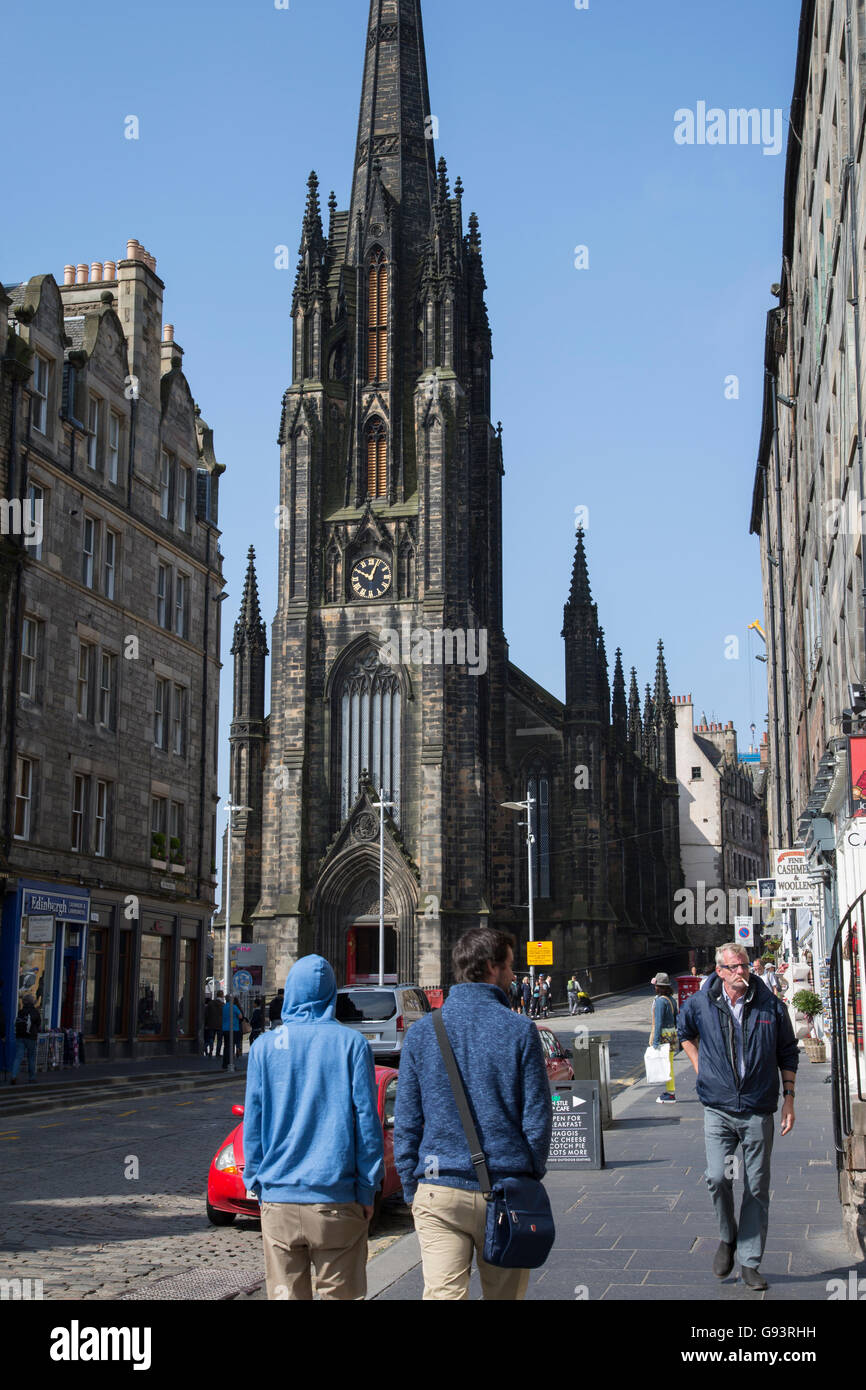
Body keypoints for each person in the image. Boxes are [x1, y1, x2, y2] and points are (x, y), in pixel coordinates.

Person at [394, 927, 552, 1301]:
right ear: (491, 968)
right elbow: (537, 1117)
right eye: (511, 967)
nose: (515, 976)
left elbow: (407, 1123)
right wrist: (527, 1172)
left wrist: (410, 1189)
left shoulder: (421, 1033)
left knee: (442, 1296)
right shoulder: (520, 1030)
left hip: (437, 1189)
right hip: (506, 1189)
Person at [243, 955, 383, 1301]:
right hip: (336, 1199)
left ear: (290, 992)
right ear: (331, 996)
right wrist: (367, 1189)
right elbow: (367, 1123)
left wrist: (257, 1183)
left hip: (279, 1198)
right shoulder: (352, 1045)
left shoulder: (263, 1048)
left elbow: (253, 1123)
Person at [678, 941, 798, 1291]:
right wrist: (701, 1069)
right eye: (733, 967)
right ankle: (728, 1237)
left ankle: (749, 1261)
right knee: (717, 1177)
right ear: (720, 971)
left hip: (759, 1109)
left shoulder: (770, 1005)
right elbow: (683, 1033)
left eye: (744, 965)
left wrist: (788, 1099)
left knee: (757, 1187)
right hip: (718, 1108)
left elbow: (788, 1052)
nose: (741, 972)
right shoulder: (702, 1003)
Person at [649, 972, 678, 1105]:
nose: (654, 988)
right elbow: (676, 1018)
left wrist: (655, 1042)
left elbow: (658, 1023)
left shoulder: (660, 1001)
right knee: (669, 1063)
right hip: (672, 1033)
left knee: (667, 1065)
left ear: (659, 987)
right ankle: (669, 1091)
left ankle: (671, 1093)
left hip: (664, 1035)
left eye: (656, 986)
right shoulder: (671, 999)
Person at [11, 993, 41, 1085]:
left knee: (18, 1057)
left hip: (20, 1036)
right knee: (31, 1057)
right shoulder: (35, 1012)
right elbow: (38, 1024)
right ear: (32, 1002)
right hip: (31, 1037)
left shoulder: (20, 1011)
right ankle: (32, 1077)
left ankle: (14, 1076)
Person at [221, 993, 243, 1069]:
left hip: (225, 1029)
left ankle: (225, 1063)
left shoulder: (224, 1007)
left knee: (226, 1046)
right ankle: (230, 1063)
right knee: (231, 1047)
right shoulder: (234, 1007)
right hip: (233, 1029)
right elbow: (240, 1016)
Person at [204, 992, 223, 1057]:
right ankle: (218, 1053)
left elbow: (206, 1014)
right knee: (219, 1040)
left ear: (216, 995)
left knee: (211, 1038)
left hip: (211, 1024)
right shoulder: (223, 1004)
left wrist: (206, 1023)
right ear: (222, 996)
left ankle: (210, 1051)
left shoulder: (210, 1003)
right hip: (220, 1025)